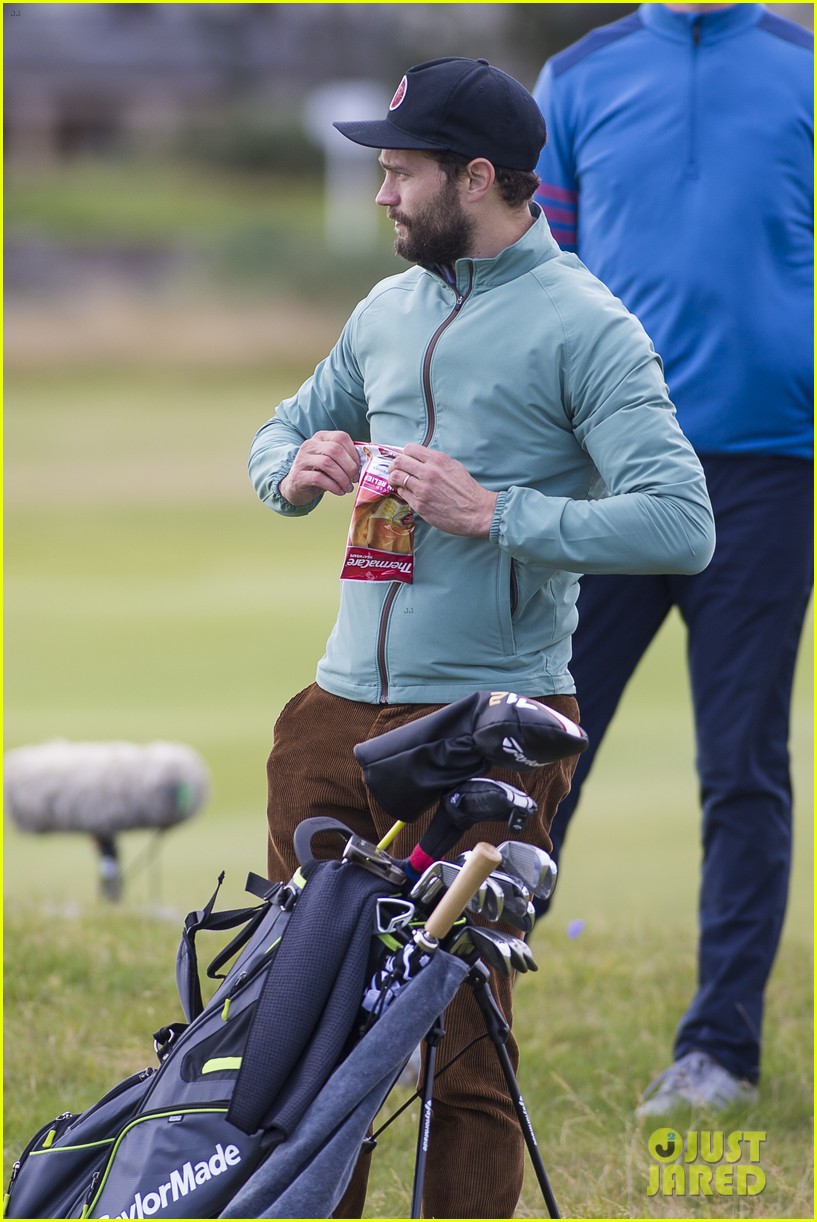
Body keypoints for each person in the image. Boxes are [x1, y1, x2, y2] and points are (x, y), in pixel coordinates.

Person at [249, 56, 715, 1217]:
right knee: (298, 1030)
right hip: (332, 715)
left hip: (489, 728)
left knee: (461, 1044)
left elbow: (681, 519)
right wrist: (295, 469)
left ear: (476, 179)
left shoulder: (589, 328)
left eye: (399, 172)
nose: (379, 195)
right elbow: (281, 431)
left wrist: (496, 513)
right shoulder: (384, 309)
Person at [532, 3, 813, 1117]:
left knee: (741, 765)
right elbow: (539, 284)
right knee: (541, 744)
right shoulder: (575, 75)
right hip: (611, 475)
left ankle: (719, 1055)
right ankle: (454, 1020)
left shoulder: (804, 67)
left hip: (767, 472)